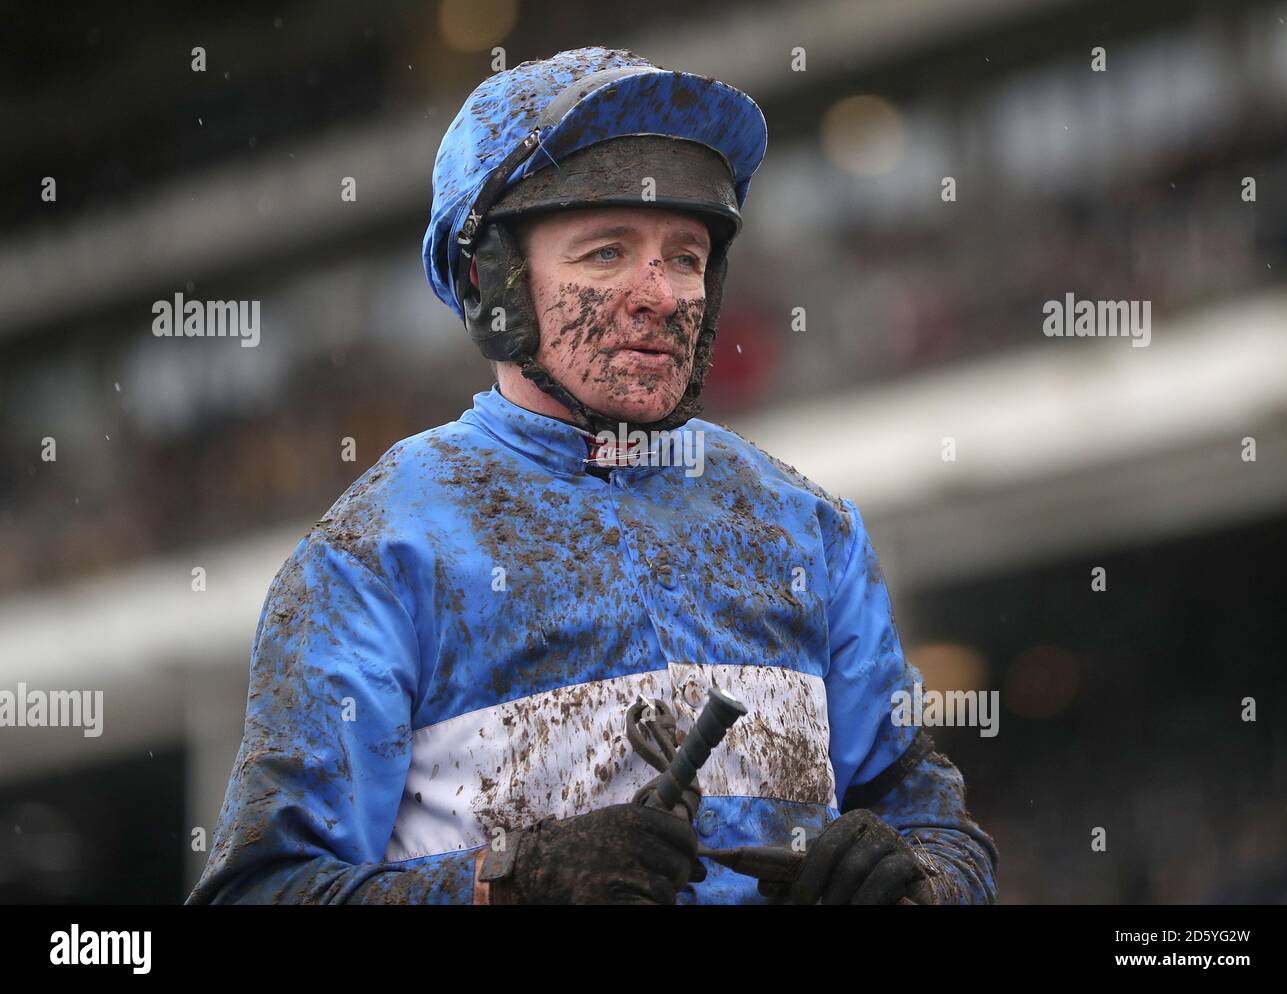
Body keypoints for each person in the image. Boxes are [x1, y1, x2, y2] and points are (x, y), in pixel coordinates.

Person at [187, 45, 997, 906]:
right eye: (607, 253)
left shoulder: (809, 528)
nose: (659, 294)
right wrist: (507, 887)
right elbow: (257, 894)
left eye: (685, 257)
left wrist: (921, 883)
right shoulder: (371, 558)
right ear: (492, 282)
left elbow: (937, 826)